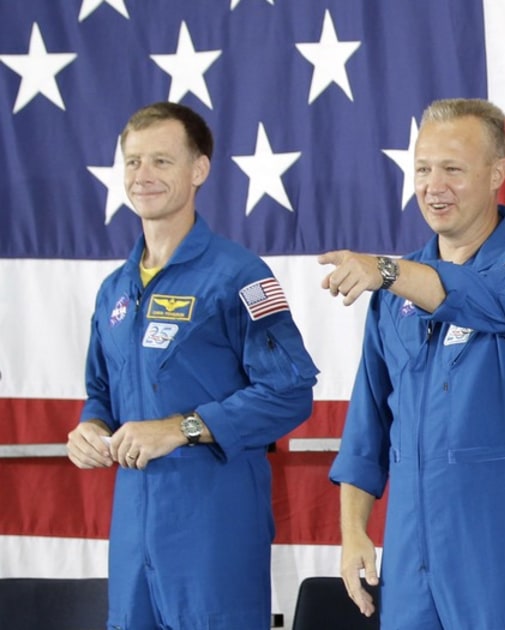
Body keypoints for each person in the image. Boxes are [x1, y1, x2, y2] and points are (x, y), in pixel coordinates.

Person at [321, 98, 505, 629]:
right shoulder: (392, 292)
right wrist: (353, 533)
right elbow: (368, 425)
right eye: (423, 168)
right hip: (413, 552)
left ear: (497, 173)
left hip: (503, 548)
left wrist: (390, 270)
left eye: (453, 169)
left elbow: (492, 303)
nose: (433, 185)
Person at [65, 101, 319, 629]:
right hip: (134, 531)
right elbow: (100, 391)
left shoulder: (239, 276)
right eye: (133, 162)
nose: (143, 175)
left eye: (161, 160)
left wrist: (181, 429)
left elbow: (290, 391)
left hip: (213, 527)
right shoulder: (115, 289)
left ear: (198, 169)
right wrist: (90, 427)